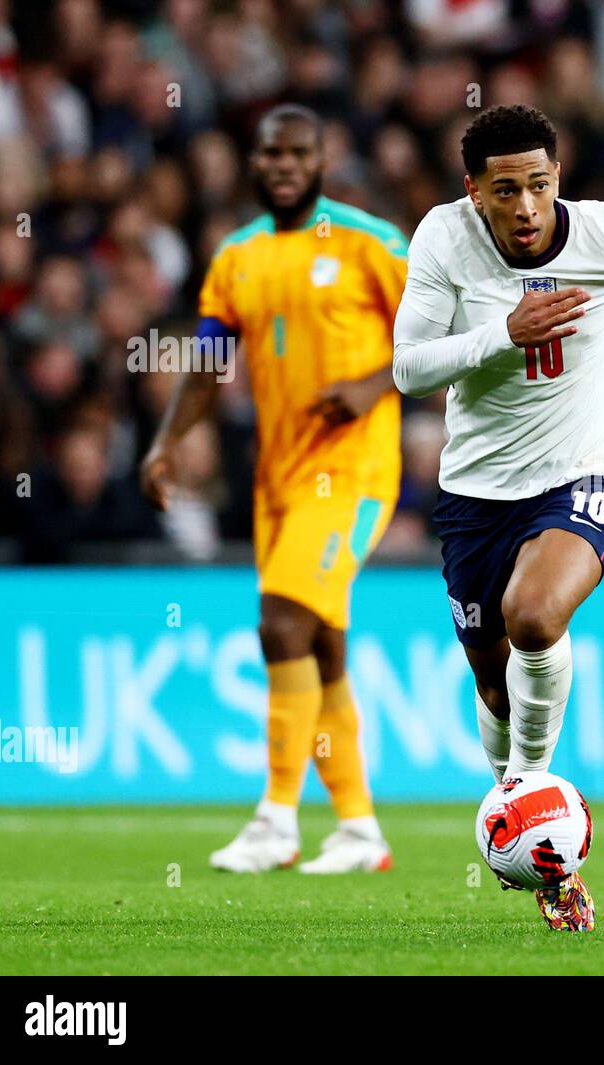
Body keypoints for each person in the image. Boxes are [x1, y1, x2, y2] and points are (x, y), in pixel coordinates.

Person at [392, 104, 604, 931]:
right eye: (504, 190)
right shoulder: (443, 239)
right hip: (476, 492)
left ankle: (528, 804)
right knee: (492, 681)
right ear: (472, 191)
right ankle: (530, 805)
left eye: (539, 185)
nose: (524, 207)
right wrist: (497, 335)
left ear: (559, 178)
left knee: (535, 614)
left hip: (584, 472)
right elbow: (407, 367)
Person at [141, 105, 407, 875]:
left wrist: (372, 381)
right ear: (254, 163)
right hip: (278, 480)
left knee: (280, 622)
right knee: (318, 642)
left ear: (323, 158)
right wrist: (166, 441)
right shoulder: (236, 256)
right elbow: (208, 363)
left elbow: (443, 332)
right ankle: (359, 829)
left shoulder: (371, 243)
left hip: (354, 470)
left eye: (299, 152)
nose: (284, 164)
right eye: (271, 153)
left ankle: (276, 817)